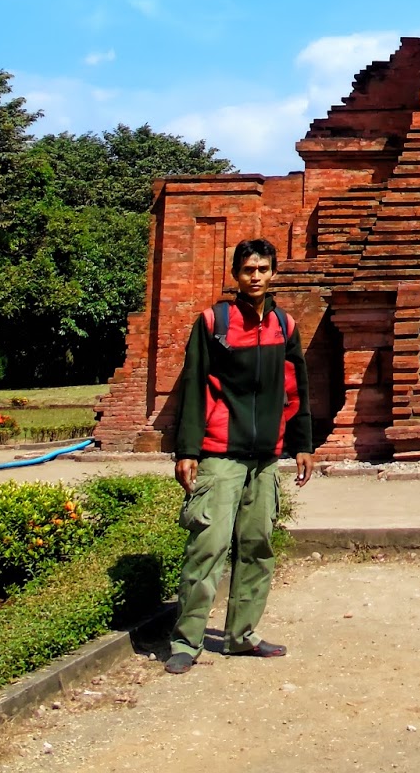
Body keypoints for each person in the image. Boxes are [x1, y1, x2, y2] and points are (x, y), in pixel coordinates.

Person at [165, 238, 314, 674]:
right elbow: (192, 385)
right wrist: (187, 449)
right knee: (206, 549)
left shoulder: (284, 326)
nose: (255, 276)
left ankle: (241, 636)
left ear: (273, 274)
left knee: (257, 547)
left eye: (263, 269)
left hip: (265, 456)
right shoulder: (214, 321)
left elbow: (296, 389)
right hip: (220, 453)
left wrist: (302, 444)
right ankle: (186, 641)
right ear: (235, 274)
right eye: (248, 269)